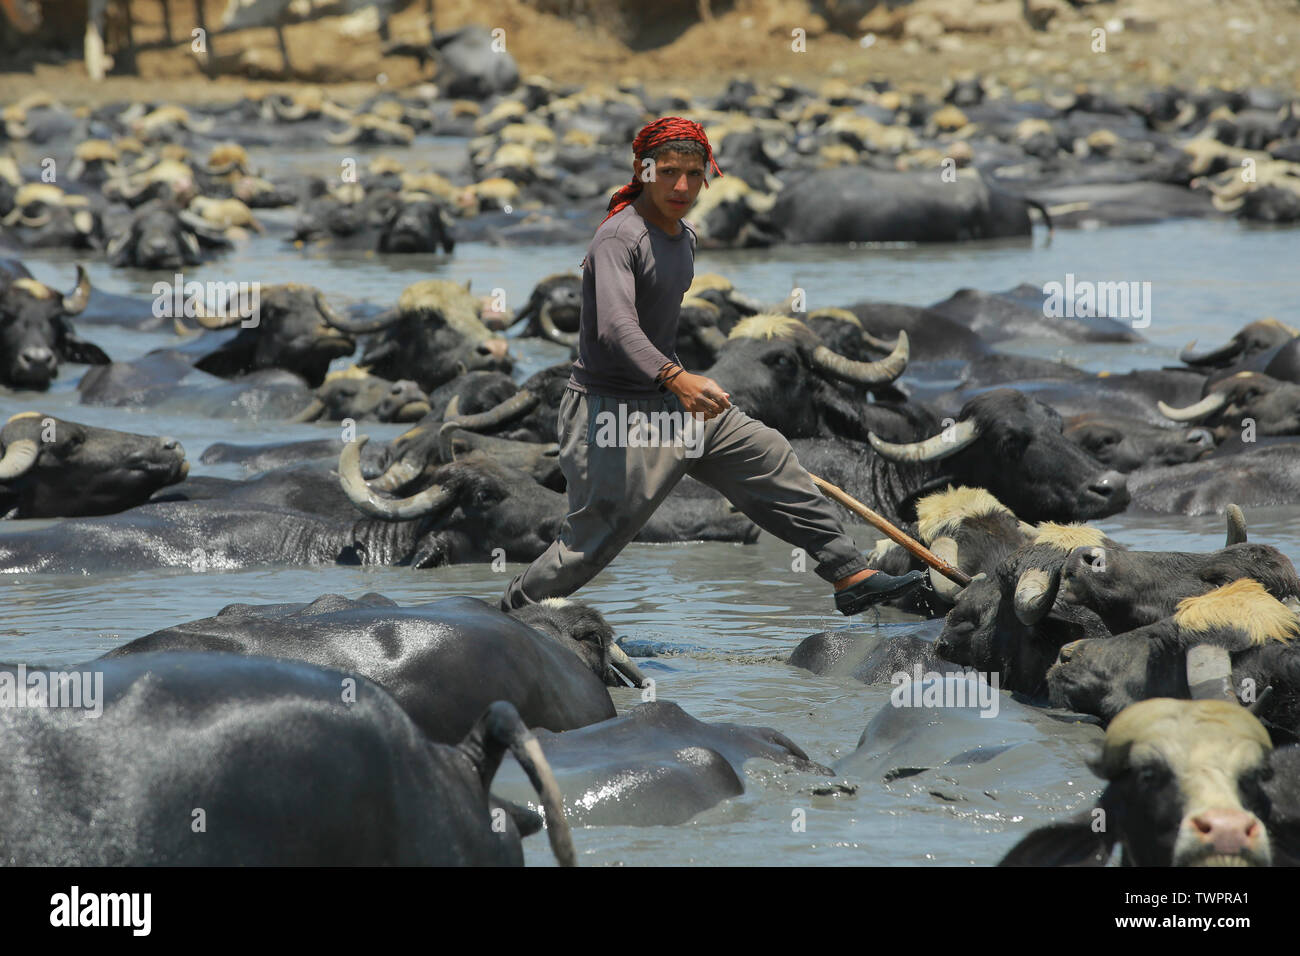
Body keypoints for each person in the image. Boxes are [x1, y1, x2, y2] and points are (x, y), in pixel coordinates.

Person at [499, 116, 924, 615]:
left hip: (669, 404)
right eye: (670, 173)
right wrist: (678, 377)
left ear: (708, 175)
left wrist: (676, 381)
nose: (682, 186)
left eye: (694, 174)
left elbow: (656, 330)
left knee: (765, 451)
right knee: (594, 539)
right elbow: (615, 328)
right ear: (644, 170)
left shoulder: (685, 238)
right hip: (609, 414)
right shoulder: (618, 238)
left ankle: (847, 571)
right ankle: (509, 616)